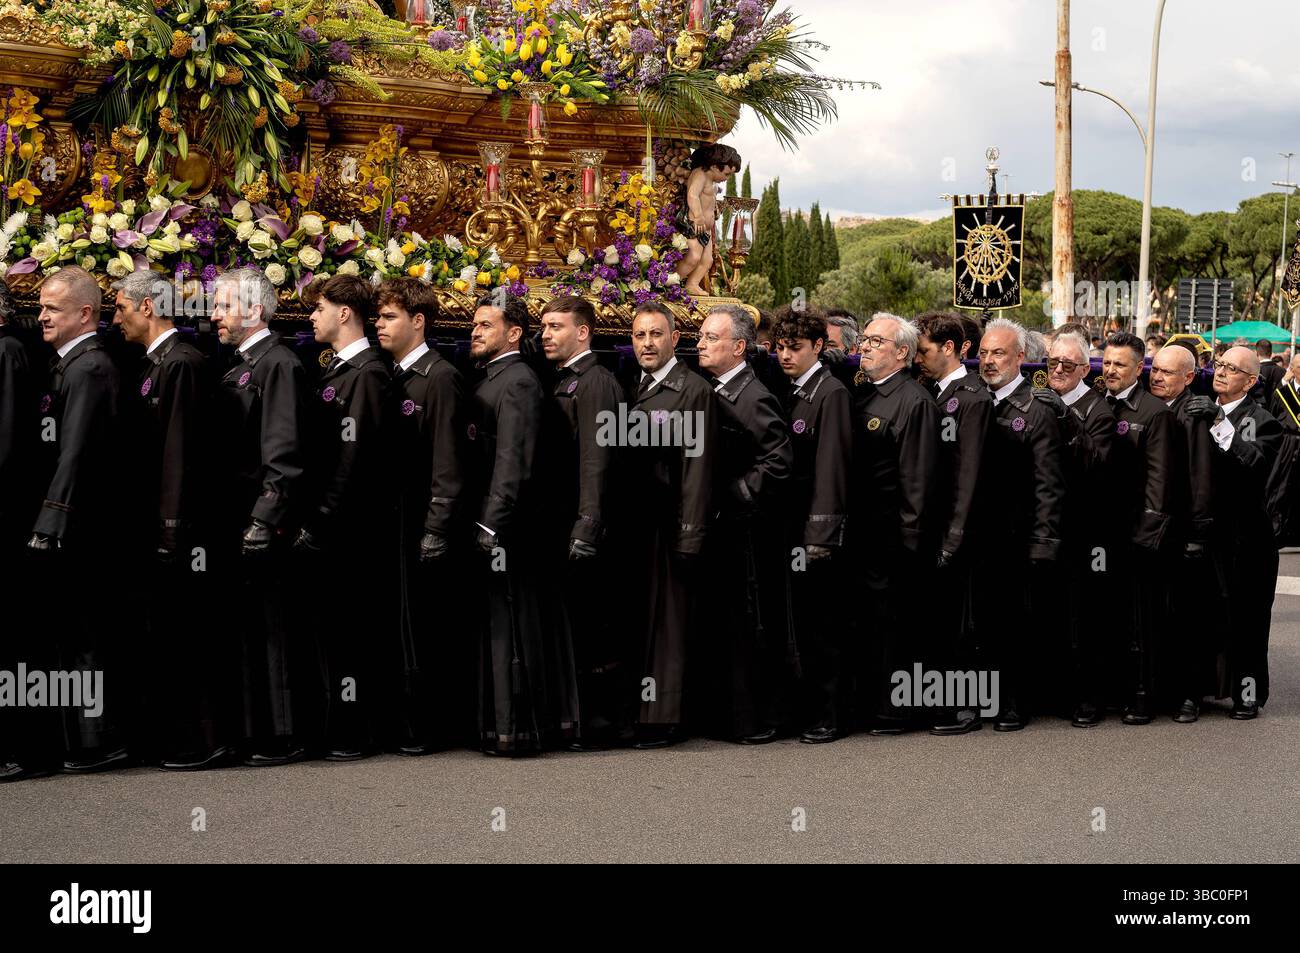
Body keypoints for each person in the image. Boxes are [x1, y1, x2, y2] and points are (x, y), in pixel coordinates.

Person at [111, 270, 233, 769]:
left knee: (189, 633)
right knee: (167, 632)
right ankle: (175, 736)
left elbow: (180, 452)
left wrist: (170, 528)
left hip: (185, 529)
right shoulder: (156, 362)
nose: (114, 318)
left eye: (120, 307)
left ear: (147, 308)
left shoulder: (180, 363)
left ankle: (203, 740)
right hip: (165, 524)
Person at [211, 268, 319, 767]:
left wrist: (265, 517)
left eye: (223, 306)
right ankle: (255, 731)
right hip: (239, 512)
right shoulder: (241, 365)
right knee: (249, 626)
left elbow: (284, 448)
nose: (213, 315)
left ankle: (281, 734)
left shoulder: (277, 363)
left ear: (254, 311)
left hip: (263, 517)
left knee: (273, 626)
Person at [27, 266, 128, 773]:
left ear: (85, 313)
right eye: (41, 307)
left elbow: (77, 453)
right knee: (74, 631)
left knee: (87, 633)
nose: (41, 315)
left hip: (85, 525)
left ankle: (98, 740)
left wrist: (51, 521)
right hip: (75, 521)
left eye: (52, 308)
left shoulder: (90, 368)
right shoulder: (70, 364)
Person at [470, 292, 578, 755]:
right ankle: (502, 728)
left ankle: (519, 730)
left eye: (485, 325)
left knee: (513, 629)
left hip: (514, 531)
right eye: (474, 325)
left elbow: (514, 462)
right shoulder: (497, 378)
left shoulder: (516, 382)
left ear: (513, 333)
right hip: (502, 525)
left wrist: (491, 525)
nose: (475, 331)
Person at [375, 277, 476, 753]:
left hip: (426, 521)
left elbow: (448, 462)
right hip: (396, 519)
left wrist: (436, 527)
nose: (379, 325)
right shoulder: (393, 375)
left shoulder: (439, 377)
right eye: (377, 316)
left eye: (390, 317)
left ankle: (433, 727)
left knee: (428, 628)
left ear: (419, 322)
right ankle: (404, 723)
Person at [297, 275, 394, 761]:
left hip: (353, 528)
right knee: (334, 631)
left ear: (343, 314)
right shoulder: (336, 369)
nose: (311, 317)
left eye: (318, 308)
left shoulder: (367, 373)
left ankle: (355, 731)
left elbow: (355, 460)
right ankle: (336, 725)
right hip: (335, 523)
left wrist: (323, 518)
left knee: (353, 633)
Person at [696, 303, 793, 744]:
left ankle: (758, 719)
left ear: (739, 347)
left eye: (712, 338)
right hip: (729, 528)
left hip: (748, 533)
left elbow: (778, 460)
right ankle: (732, 716)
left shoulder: (751, 395)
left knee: (750, 625)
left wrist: (736, 494)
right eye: (701, 336)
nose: (701, 343)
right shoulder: (716, 389)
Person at [624, 301, 717, 747]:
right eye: (640, 335)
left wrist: (691, 533)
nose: (647, 343)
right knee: (647, 622)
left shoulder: (692, 390)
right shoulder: (635, 385)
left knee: (670, 627)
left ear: (674, 339)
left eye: (656, 334)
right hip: (641, 526)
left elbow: (698, 470)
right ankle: (645, 712)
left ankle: (665, 720)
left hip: (673, 524)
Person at [538, 295, 626, 749]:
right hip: (567, 521)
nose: (547, 334)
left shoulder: (596, 382)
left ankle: (602, 723)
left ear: (583, 332)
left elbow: (599, 459)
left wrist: (587, 526)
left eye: (556, 326)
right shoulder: (567, 378)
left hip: (585, 526)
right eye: (544, 326)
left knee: (594, 626)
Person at [973, 317, 1066, 730]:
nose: (989, 361)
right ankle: (983, 697)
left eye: (999, 353)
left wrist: (1044, 542)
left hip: (1018, 537)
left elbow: (1050, 484)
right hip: (977, 535)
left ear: (1021, 358)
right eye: (984, 353)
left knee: (1015, 623)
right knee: (983, 620)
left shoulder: (1036, 408)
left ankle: (1014, 702)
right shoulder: (973, 400)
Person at [853, 313, 941, 734]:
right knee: (870, 624)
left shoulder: (913, 400)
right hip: (865, 534)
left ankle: (896, 710)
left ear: (902, 352)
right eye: (863, 339)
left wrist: (908, 543)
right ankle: (872, 703)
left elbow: (918, 480)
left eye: (875, 341)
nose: (864, 346)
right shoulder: (864, 395)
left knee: (894, 627)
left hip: (894, 538)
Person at [773, 306, 852, 743]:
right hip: (793, 526)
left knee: (821, 627)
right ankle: (804, 710)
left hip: (817, 532)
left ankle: (829, 714)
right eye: (780, 347)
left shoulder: (831, 392)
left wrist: (820, 536)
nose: (785, 355)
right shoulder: (793, 389)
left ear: (818, 347)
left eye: (795, 348)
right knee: (800, 624)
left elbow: (832, 469)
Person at [915, 312, 993, 735]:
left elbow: (970, 475)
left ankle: (966, 707)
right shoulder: (934, 391)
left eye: (925, 350)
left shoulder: (973, 398)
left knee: (963, 623)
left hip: (959, 530)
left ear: (950, 347)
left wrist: (955, 535)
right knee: (941, 621)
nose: (919, 359)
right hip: (937, 525)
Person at [1100, 331, 1181, 725]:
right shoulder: (1097, 403)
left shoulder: (1154, 412)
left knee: (1140, 623)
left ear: (1138, 368)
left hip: (1137, 538)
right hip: (1102, 536)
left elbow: (1159, 484)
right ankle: (1115, 690)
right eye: (1107, 362)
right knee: (1109, 617)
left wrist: (1146, 539)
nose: (1111, 370)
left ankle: (1142, 695)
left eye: (1120, 364)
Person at [0, 279, 58, 782]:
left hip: (11, 516)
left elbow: (8, 445)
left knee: (14, 636)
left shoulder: (8, 353)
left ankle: (24, 748)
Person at [1207, 346, 1283, 718]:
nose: (1220, 372)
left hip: (1247, 541)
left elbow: (1252, 462)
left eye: (1231, 369)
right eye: (1219, 364)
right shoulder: (1200, 408)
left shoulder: (1264, 421)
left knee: (1249, 623)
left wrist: (1220, 425)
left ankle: (1247, 695)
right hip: (1206, 535)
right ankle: (1203, 688)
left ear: (1251, 381)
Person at [1045, 330, 1115, 726]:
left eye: (1067, 365)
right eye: (1053, 362)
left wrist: (1064, 417)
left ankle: (1089, 699)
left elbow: (1096, 466)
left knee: (1086, 619)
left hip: (1087, 531)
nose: (1058, 370)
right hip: (1051, 524)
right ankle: (1059, 692)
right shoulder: (1044, 401)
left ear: (1085, 370)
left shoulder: (1098, 410)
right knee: (1056, 613)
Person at [1146, 342, 1217, 723]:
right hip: (1155, 531)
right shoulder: (1153, 407)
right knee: (1160, 615)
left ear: (1188, 377)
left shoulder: (1193, 414)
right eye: (1154, 369)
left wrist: (1198, 534)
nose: (1156, 376)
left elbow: (1200, 481)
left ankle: (1189, 695)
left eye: (1166, 372)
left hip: (1184, 532)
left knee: (1187, 619)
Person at [675, 144, 741, 295]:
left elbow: (709, 199)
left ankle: (691, 284)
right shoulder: (700, 174)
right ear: (714, 167)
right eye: (727, 174)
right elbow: (692, 195)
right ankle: (673, 281)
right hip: (695, 225)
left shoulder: (712, 181)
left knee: (707, 260)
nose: (727, 178)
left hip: (705, 228)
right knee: (693, 257)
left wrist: (715, 209)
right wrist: (698, 216)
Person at [1250, 339, 1284, 404]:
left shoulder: (1254, 371)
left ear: (1256, 353)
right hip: (1278, 410)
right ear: (1271, 353)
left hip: (1258, 410)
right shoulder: (1283, 371)